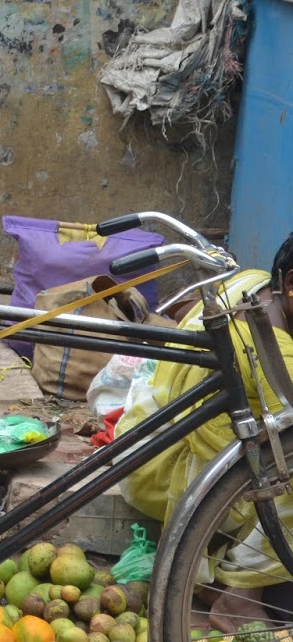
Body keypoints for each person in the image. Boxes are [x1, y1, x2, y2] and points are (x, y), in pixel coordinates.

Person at [118, 231, 293, 633]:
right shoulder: (272, 347)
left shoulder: (250, 283)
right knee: (289, 453)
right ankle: (240, 597)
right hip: (164, 472)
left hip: (142, 439)